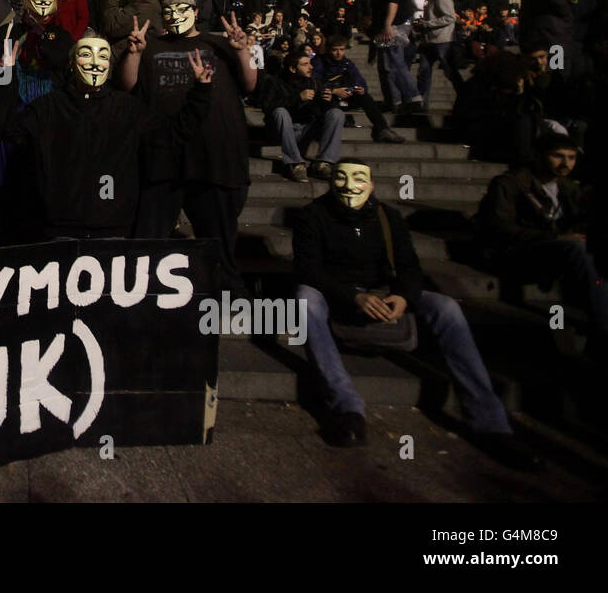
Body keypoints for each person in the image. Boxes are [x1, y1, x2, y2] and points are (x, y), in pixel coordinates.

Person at [292, 161, 541, 469]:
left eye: (358, 178)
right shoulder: (313, 215)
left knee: (446, 307)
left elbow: (410, 267)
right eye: (340, 177)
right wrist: (353, 296)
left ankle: (491, 423)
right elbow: (308, 269)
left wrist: (403, 296)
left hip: (383, 291)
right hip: (337, 295)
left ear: (370, 185)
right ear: (331, 182)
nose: (348, 184)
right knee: (305, 299)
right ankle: (347, 409)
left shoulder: (388, 218)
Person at [0, 35, 213, 239]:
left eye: (102, 56)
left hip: (113, 231)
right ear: (72, 63)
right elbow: (9, 132)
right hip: (58, 232)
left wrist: (201, 91)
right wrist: (5, 79)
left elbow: (173, 133)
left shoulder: (127, 108)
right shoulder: (47, 107)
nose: (95, 62)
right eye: (86, 54)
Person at [119, 0, 257, 297]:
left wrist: (241, 51)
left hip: (213, 156)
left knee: (219, 240)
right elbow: (129, 88)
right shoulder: (151, 45)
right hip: (163, 156)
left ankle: (228, 297)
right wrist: (135, 53)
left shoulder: (220, 44)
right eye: (167, 10)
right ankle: (141, 300)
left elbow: (250, 84)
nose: (174, 15)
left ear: (195, 11)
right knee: (148, 238)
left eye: (182, 8)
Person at [476, 134, 606, 349]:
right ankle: (604, 328)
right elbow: (500, 228)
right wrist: (556, 238)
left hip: (553, 253)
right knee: (577, 248)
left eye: (572, 158)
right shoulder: (511, 183)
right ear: (538, 156)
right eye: (558, 156)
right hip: (512, 253)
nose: (566, 164)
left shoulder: (567, 187)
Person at [342, 0, 422, 113]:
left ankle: (413, 97)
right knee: (385, 66)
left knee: (394, 62)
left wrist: (388, 25)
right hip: (385, 25)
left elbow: (393, 1)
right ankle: (394, 100)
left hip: (393, 25)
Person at [259, 50, 345, 182]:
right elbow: (268, 107)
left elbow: (325, 111)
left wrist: (328, 100)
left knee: (336, 113)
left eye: (310, 63)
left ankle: (324, 163)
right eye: (305, 64)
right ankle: (295, 164)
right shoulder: (274, 82)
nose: (311, 67)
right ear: (293, 69)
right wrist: (298, 98)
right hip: (284, 130)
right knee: (280, 112)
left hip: (307, 129)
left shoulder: (314, 82)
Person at [312, 35, 405, 144]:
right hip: (328, 97)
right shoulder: (319, 62)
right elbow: (315, 82)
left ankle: (382, 129)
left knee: (366, 98)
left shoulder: (347, 63)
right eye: (335, 50)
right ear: (329, 50)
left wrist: (360, 88)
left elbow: (359, 79)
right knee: (327, 98)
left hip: (346, 95)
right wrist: (334, 90)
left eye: (341, 50)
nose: (339, 53)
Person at [414, 0, 464, 104]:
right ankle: (421, 102)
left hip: (442, 40)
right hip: (428, 40)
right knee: (423, 72)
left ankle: (465, 96)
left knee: (450, 71)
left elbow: (450, 17)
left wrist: (428, 23)